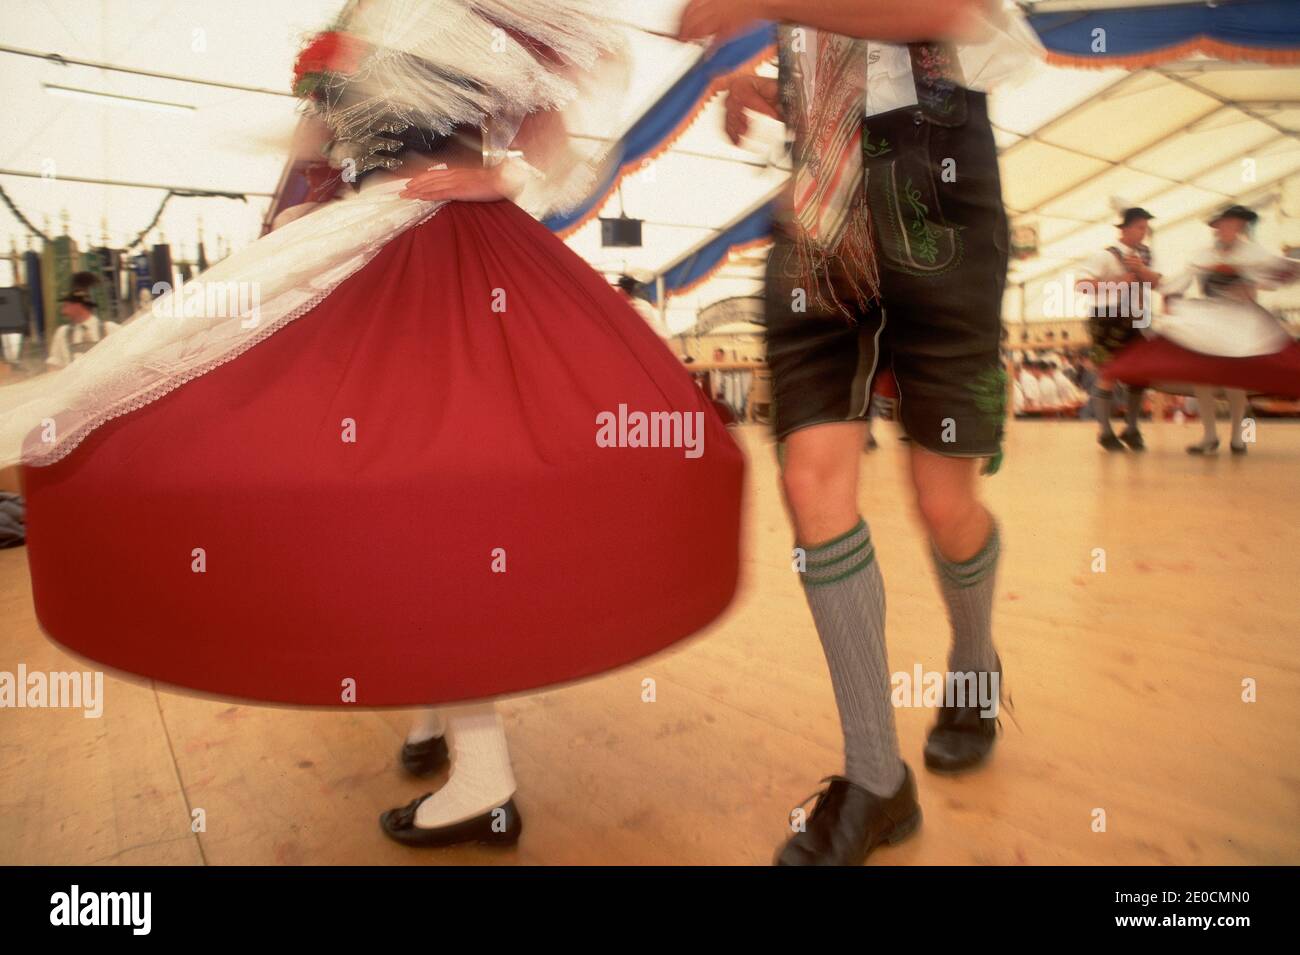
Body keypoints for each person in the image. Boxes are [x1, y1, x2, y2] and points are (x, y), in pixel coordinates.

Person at [3, 0, 744, 849]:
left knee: (428, 488)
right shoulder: (361, 23)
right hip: (368, 241)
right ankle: (439, 712)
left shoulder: (469, 12)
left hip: (446, 249)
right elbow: (316, 142)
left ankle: (484, 774)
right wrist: (301, 213)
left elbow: (555, 112)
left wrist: (494, 177)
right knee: (402, 488)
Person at [681, 0, 1042, 865]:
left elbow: (948, 12)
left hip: (943, 196)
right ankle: (877, 777)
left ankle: (974, 658)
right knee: (810, 480)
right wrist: (760, 78)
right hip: (820, 203)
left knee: (943, 501)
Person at [1103, 203, 1300, 455]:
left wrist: (1244, 278)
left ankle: (1239, 437)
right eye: (1225, 223)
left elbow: (1277, 273)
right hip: (1208, 320)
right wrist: (1142, 271)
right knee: (1203, 379)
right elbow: (1174, 283)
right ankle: (1209, 437)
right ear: (1216, 226)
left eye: (1235, 224)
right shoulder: (1202, 254)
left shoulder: (1253, 253)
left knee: (1236, 382)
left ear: (1240, 227)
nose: (1229, 228)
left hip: (1240, 322)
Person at [1077, 207, 1162, 451]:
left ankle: (1132, 428)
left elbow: (1157, 283)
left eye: (1145, 228)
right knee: (1108, 374)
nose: (1143, 233)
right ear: (1124, 229)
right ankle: (1105, 431)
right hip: (1107, 319)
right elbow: (1082, 286)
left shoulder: (1145, 255)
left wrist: (1141, 271)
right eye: (1139, 227)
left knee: (1139, 374)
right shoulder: (1105, 256)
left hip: (1139, 317)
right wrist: (1116, 283)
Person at [46, 272, 119, 369]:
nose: (63, 311)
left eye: (66, 305)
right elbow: (54, 366)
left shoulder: (111, 329)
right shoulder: (62, 333)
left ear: (77, 305)